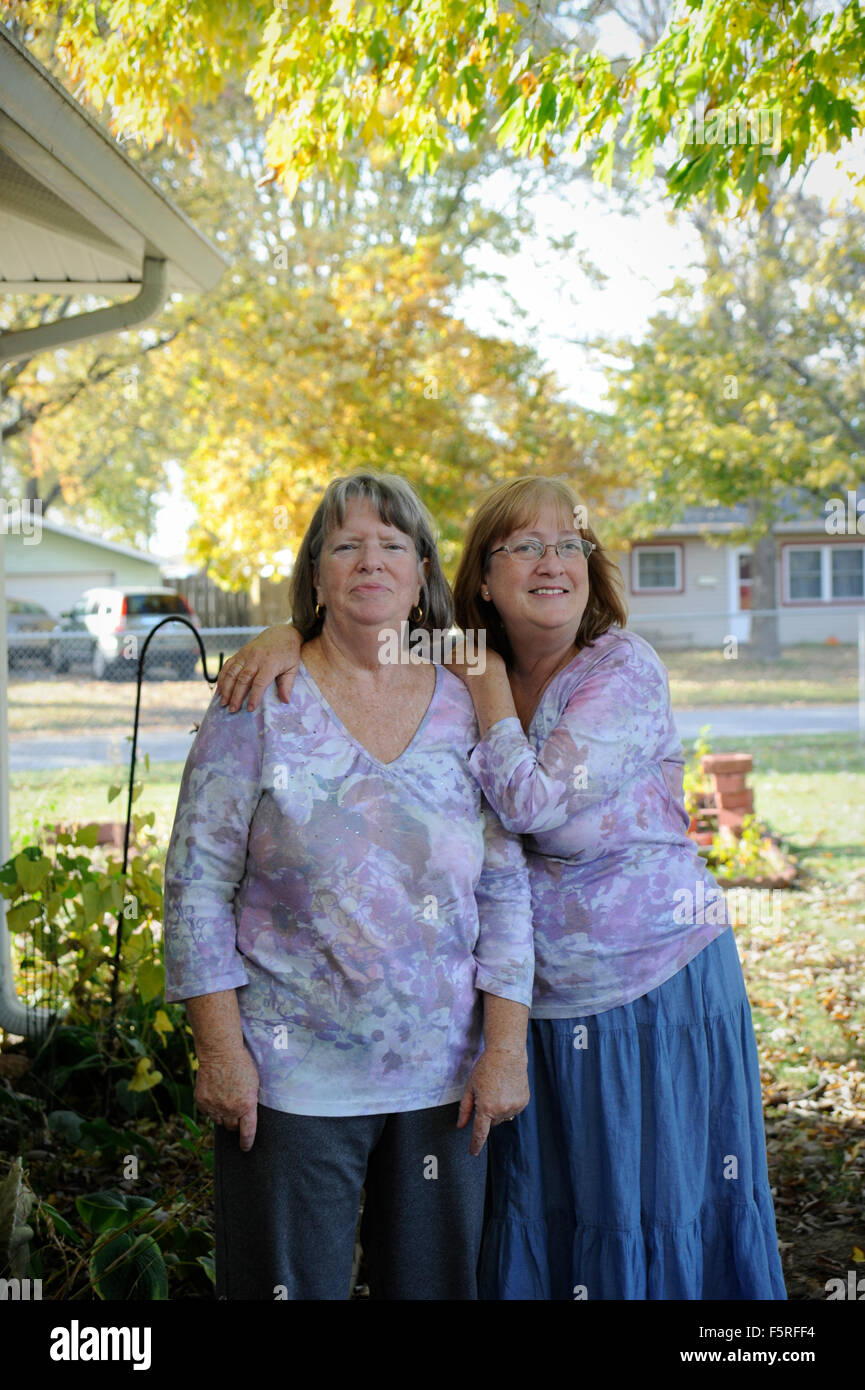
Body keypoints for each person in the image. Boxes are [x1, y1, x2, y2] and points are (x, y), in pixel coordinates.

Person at [216, 475, 787, 1303]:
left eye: (569, 545)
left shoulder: (616, 670)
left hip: (644, 993)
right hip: (519, 1011)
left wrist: (485, 692)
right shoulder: (453, 669)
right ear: (481, 576)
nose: (551, 562)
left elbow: (534, 807)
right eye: (525, 546)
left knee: (644, 1214)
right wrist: (281, 632)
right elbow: (357, 628)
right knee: (546, 1219)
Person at [164, 472, 534, 1301]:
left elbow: (505, 893)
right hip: (287, 1078)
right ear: (317, 573)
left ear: (423, 572)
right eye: (346, 545)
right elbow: (194, 887)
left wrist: (504, 1050)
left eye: (392, 545)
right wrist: (222, 1054)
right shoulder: (257, 700)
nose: (371, 560)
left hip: (443, 1078)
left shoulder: (466, 702)